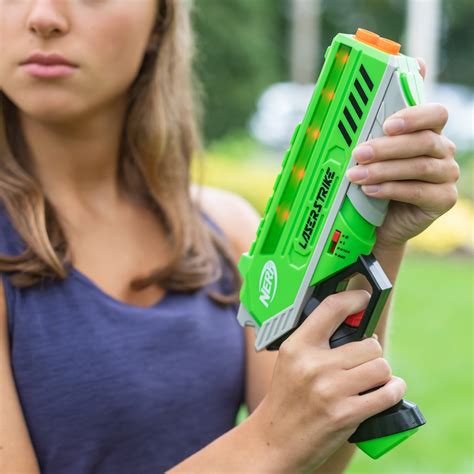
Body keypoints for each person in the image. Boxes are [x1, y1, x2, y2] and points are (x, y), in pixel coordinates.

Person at [0, 0, 459, 473]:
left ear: (160, 19)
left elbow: (311, 459)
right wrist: (270, 439)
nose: (43, 16)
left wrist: (374, 235)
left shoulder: (227, 230)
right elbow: (282, 443)